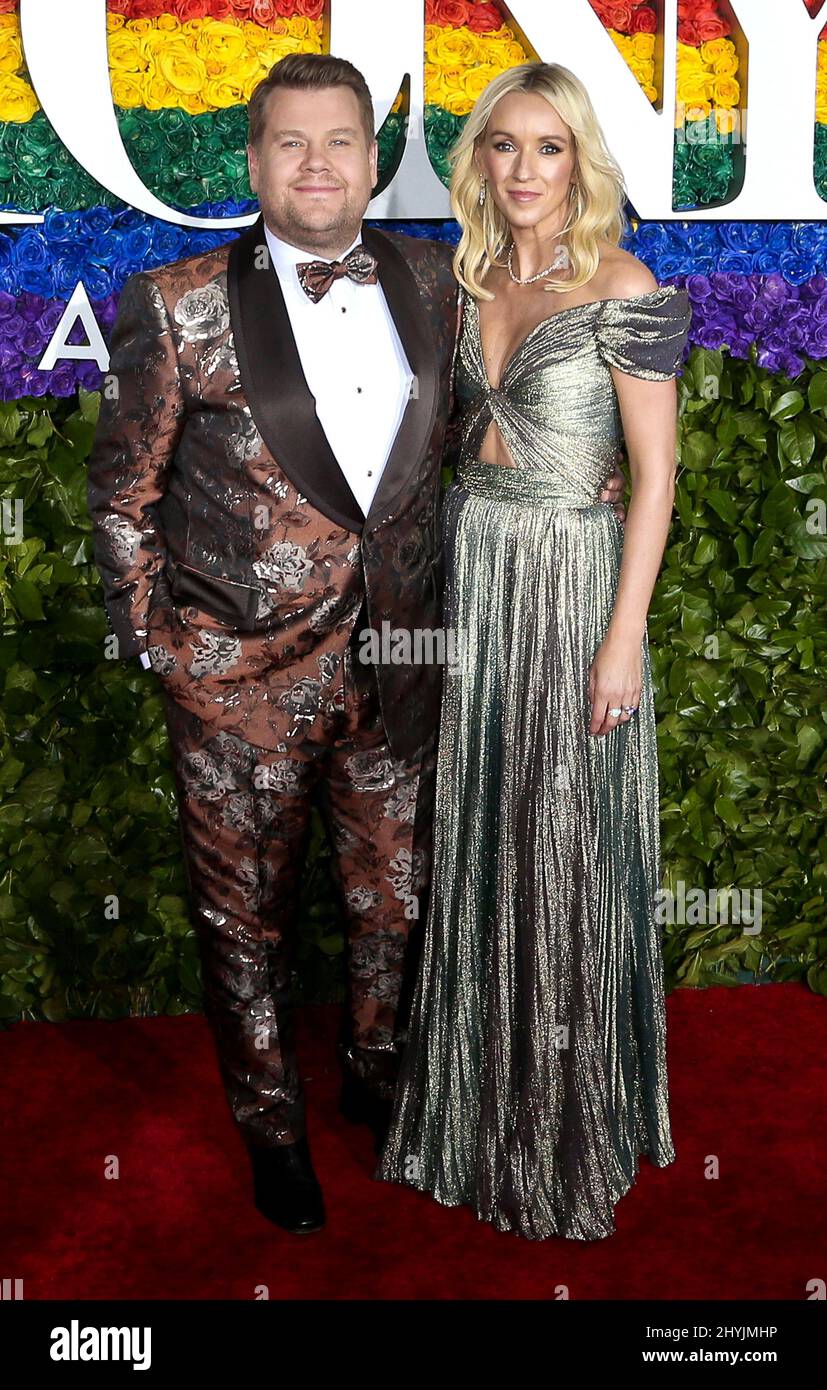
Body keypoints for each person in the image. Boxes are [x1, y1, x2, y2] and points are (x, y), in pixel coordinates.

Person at [87, 51, 629, 1236]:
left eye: (341, 141)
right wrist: (166, 652)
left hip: (402, 666)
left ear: (373, 159)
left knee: (394, 906)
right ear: (253, 161)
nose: (319, 164)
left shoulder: (436, 279)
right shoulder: (175, 299)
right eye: (292, 143)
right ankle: (271, 1128)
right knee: (246, 925)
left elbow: (537, 388)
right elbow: (121, 500)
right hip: (235, 690)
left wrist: (588, 503)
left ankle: (376, 1078)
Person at [375, 61, 692, 1241]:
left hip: (569, 587)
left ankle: (561, 1121)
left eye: (547, 148)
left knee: (557, 833)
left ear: (580, 161)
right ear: (478, 161)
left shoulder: (623, 283)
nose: (522, 169)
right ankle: (467, 1103)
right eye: (502, 146)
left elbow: (653, 477)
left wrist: (623, 639)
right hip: (478, 576)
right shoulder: (464, 283)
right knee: (481, 828)